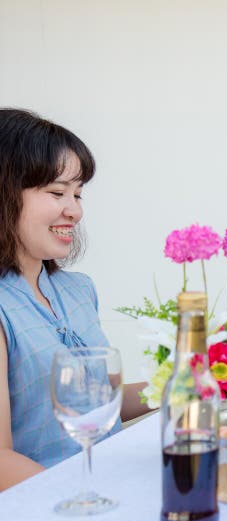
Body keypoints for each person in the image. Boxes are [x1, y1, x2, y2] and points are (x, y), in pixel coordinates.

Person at [0, 109, 150, 491]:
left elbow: (98, 406)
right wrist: (87, 499)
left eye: (78, 193)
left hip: (111, 487)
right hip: (53, 506)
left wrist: (183, 383)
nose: (76, 210)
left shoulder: (78, 290)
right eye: (57, 192)